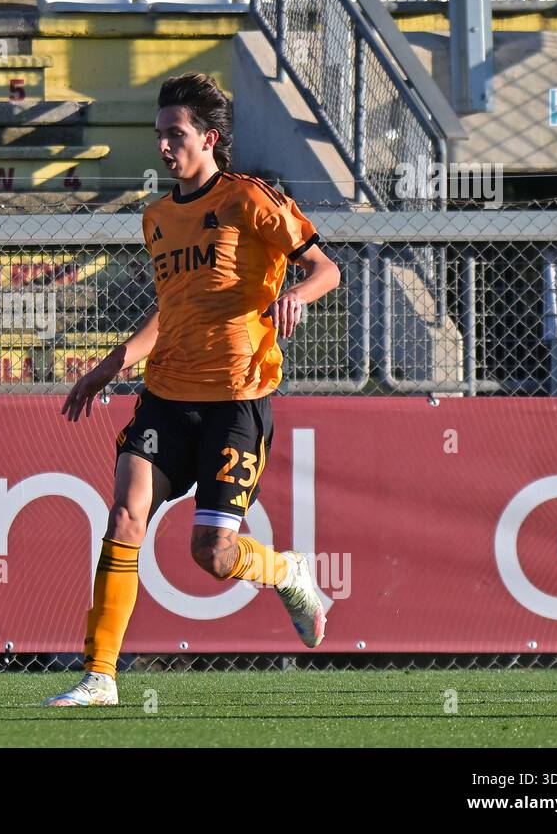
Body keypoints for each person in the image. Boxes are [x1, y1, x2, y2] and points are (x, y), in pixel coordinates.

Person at [43, 73, 341, 707]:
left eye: (175, 135)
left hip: (236, 399)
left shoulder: (250, 200)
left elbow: (326, 267)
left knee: (212, 552)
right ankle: (100, 676)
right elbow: (171, 312)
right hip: (166, 396)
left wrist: (297, 294)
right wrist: (113, 362)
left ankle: (287, 572)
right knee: (124, 515)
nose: (164, 148)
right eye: (159, 136)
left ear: (209, 139)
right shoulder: (156, 219)